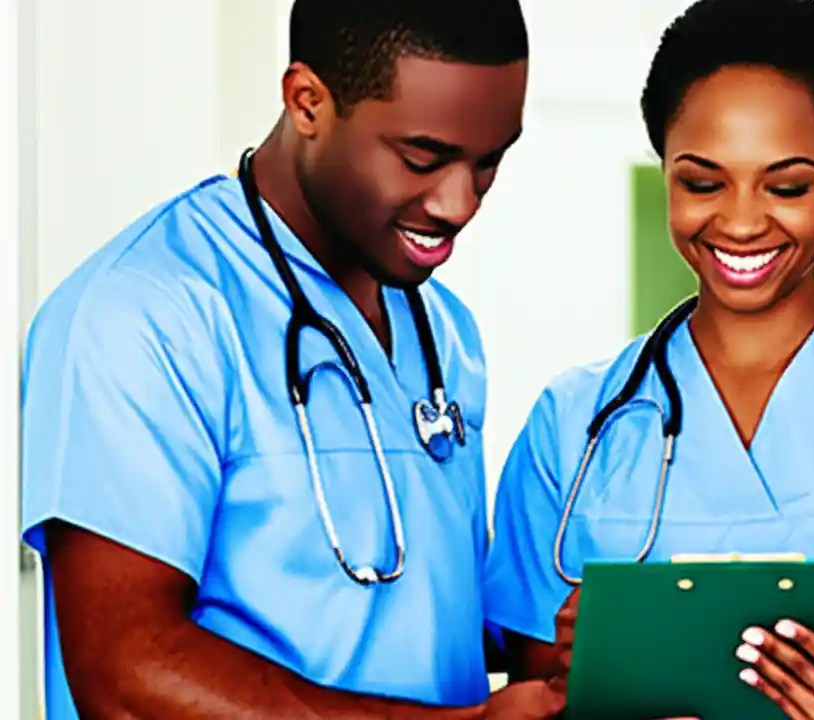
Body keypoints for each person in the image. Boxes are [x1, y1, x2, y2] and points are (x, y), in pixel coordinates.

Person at [19, 1, 565, 718]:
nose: (459, 204)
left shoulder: (444, 332)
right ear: (308, 102)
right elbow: (123, 675)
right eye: (422, 159)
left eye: (489, 160)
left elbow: (412, 616)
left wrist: (572, 640)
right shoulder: (143, 314)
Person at [482, 0, 814, 717]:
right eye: (702, 183)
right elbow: (536, 697)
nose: (739, 222)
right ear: (665, 170)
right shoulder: (573, 425)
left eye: (787, 186)